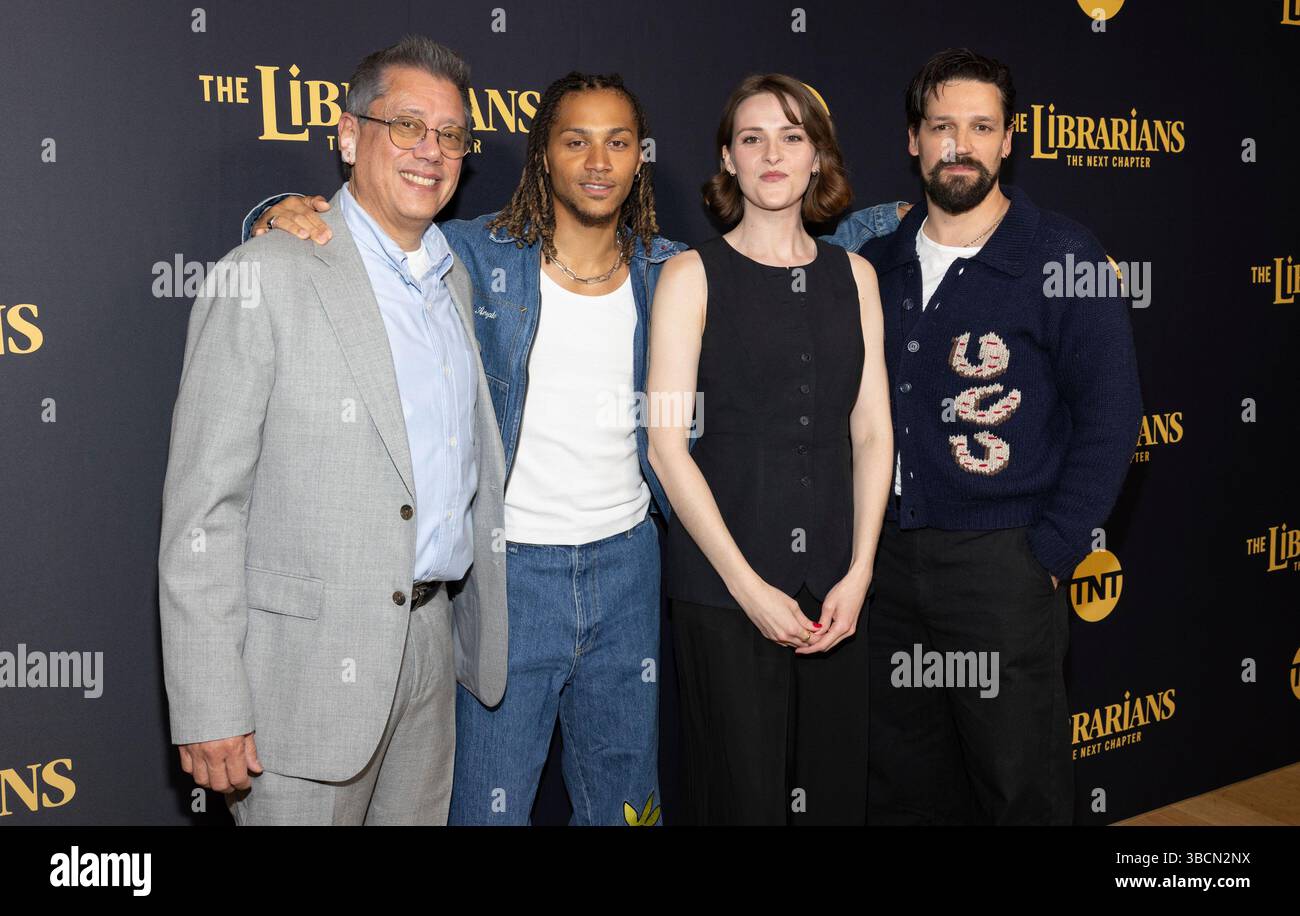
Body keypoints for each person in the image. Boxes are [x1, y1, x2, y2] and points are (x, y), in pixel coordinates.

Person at [249, 74, 906, 826]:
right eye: (576, 140)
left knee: (628, 811)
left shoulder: (668, 268)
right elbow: (367, 245)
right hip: (510, 575)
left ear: (639, 160)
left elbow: (786, 270)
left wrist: (892, 222)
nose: (599, 160)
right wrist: (278, 213)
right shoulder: (469, 253)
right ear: (543, 157)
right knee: (485, 812)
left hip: (629, 568)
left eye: (618, 142)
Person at [157, 35, 508, 825]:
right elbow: (204, 511)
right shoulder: (266, 275)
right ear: (349, 137)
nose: (431, 151)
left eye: (451, 135)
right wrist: (208, 699)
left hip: (428, 651)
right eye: (406, 126)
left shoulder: (450, 282)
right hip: (300, 677)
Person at [829, 48, 1143, 824]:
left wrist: (1049, 554)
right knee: (902, 783)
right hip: (889, 567)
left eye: (979, 127)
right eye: (941, 126)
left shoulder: (1063, 258)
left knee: (1018, 788)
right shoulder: (878, 263)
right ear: (913, 140)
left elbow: (1111, 421)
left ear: (1010, 141)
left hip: (1003, 568)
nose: (958, 145)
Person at [646, 73, 895, 825]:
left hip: (837, 592)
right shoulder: (688, 277)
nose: (773, 154)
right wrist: (749, 590)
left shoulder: (856, 276)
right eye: (752, 138)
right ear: (728, 159)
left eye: (793, 136)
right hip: (723, 592)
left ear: (818, 156)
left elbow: (873, 429)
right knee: (741, 802)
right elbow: (664, 443)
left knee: (832, 796)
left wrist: (861, 570)